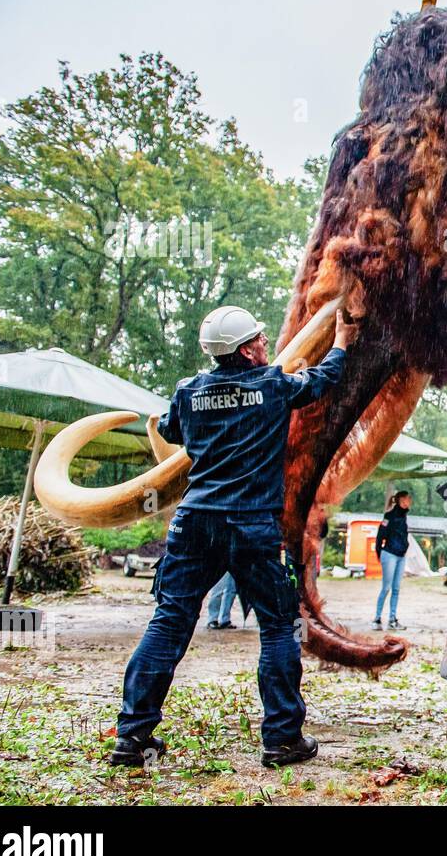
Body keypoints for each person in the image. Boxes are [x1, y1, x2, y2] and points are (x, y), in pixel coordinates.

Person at [109, 303, 358, 769]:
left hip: (194, 523)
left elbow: (170, 429)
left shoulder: (189, 390)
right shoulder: (272, 385)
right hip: (252, 526)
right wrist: (341, 341)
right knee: (279, 627)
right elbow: (322, 381)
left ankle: (131, 736)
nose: (267, 343)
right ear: (245, 351)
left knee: (168, 623)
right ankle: (282, 740)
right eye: (260, 339)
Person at [373, 491, 410, 630]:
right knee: (386, 587)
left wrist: (405, 547)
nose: (410, 501)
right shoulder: (389, 516)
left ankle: (392, 619)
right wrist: (379, 553)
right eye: (408, 498)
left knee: (396, 589)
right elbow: (380, 536)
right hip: (389, 554)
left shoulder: (404, 516)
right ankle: (377, 618)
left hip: (401, 556)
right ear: (401, 500)